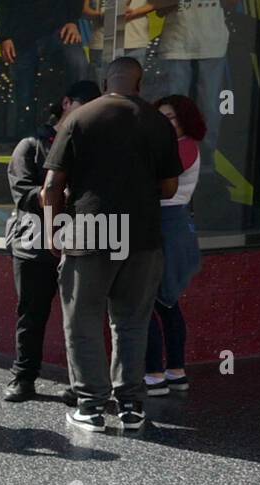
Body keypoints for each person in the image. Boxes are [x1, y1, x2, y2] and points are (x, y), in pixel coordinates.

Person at [43, 57, 182, 433]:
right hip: (143, 236)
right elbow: (170, 187)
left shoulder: (79, 118)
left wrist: (53, 230)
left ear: (106, 82)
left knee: (82, 319)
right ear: (140, 83)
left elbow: (52, 186)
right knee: (132, 323)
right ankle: (132, 407)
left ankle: (90, 407)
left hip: (91, 229)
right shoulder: (157, 121)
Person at [3, 80, 101, 403]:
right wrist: (57, 195)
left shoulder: (88, 146)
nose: (85, 114)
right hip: (33, 243)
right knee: (31, 314)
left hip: (75, 241)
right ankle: (23, 377)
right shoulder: (31, 145)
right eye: (81, 106)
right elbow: (23, 194)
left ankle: (79, 383)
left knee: (79, 317)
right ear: (66, 103)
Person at [145, 94, 207, 396]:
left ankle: (156, 374)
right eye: (160, 117)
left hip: (168, 226)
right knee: (166, 304)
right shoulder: (180, 145)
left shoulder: (184, 146)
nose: (164, 122)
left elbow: (155, 179)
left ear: (183, 119)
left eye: (169, 117)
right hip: (169, 225)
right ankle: (174, 372)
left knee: (150, 301)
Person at [132, 0, 228, 173]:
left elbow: (231, 4)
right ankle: (171, 157)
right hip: (177, 41)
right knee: (173, 109)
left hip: (213, 42)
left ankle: (204, 161)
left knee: (210, 107)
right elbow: (159, 9)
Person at [0, 0, 92, 137]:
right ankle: (27, 142)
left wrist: (72, 20)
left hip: (59, 27)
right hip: (22, 32)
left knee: (78, 66)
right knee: (24, 93)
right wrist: (4, 36)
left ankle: (76, 129)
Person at [83, 1, 150, 67]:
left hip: (135, 41)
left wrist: (134, 13)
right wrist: (103, 14)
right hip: (102, 42)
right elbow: (83, 9)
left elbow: (156, 4)